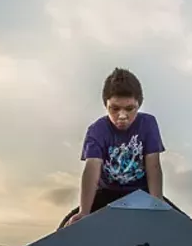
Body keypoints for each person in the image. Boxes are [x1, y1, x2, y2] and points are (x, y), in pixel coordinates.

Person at [63, 68, 167, 228]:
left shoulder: (148, 124)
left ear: (139, 104)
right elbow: (92, 170)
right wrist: (84, 211)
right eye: (115, 108)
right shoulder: (97, 130)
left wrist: (156, 203)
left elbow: (153, 165)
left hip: (141, 192)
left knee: (181, 223)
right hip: (107, 193)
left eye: (129, 108)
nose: (122, 116)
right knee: (66, 227)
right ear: (106, 105)